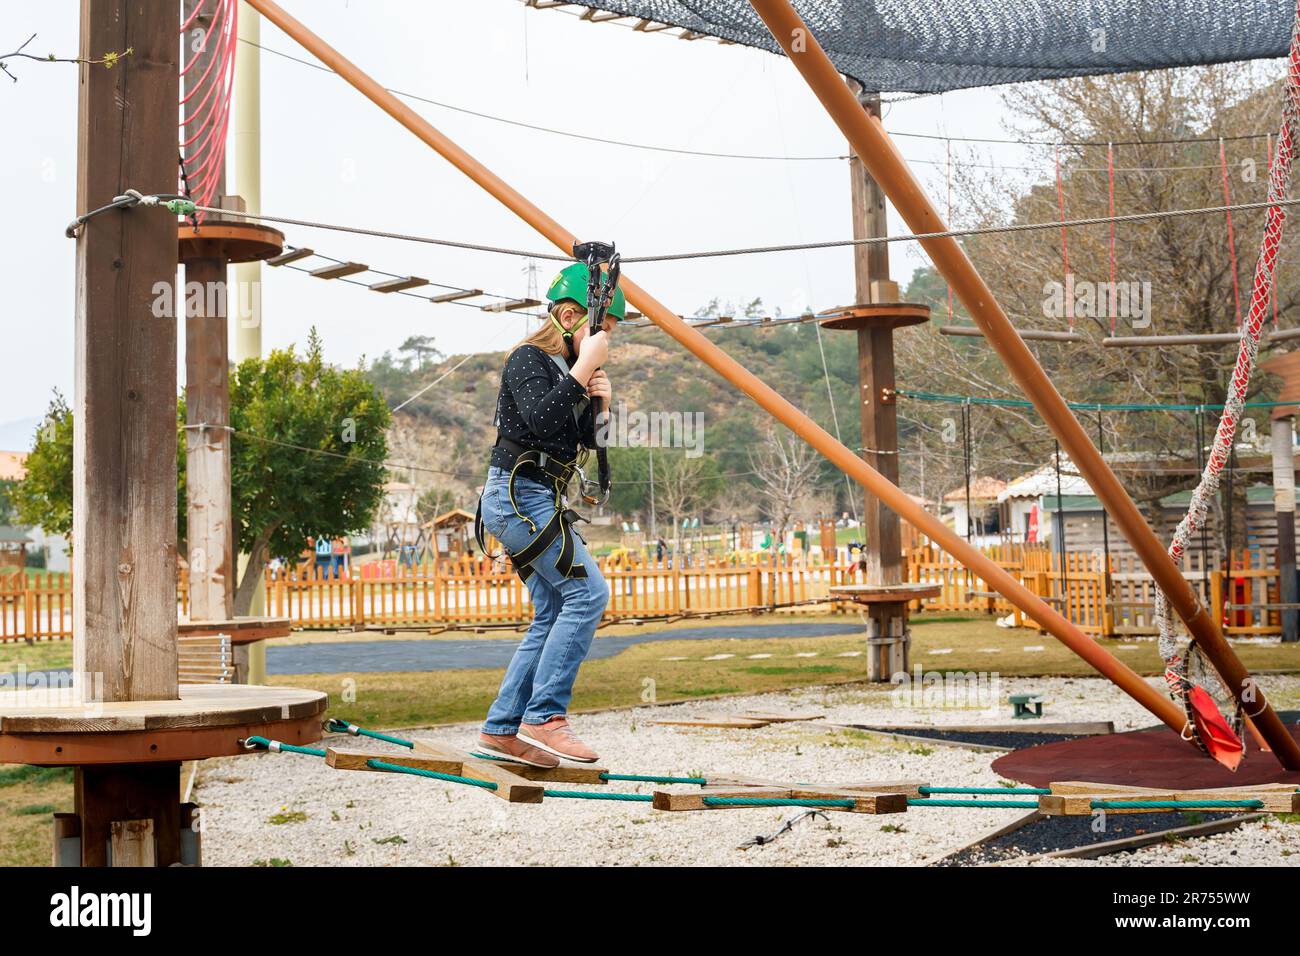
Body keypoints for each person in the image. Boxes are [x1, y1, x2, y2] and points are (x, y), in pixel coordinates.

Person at [473, 261, 621, 768]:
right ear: (565, 316)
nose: (606, 343)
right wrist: (582, 372)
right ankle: (545, 716)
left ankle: (501, 727)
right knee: (588, 591)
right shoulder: (528, 360)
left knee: (555, 609)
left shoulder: (572, 375)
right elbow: (538, 418)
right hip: (517, 495)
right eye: (601, 329)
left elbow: (585, 444)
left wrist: (602, 405)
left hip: (536, 499)